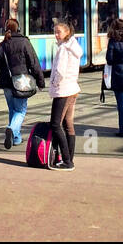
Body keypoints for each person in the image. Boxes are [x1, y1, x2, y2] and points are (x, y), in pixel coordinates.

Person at [0, 19, 45, 148]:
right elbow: (34, 63)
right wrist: (40, 81)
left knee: (13, 110)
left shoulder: (3, 44)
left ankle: (16, 138)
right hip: (21, 83)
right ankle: (12, 129)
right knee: (21, 111)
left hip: (6, 83)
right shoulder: (24, 42)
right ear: (19, 28)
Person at [47, 18, 82, 170]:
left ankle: (66, 160)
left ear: (67, 32)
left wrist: (54, 83)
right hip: (73, 88)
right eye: (55, 32)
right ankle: (69, 159)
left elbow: (60, 71)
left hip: (63, 90)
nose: (56, 35)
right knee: (68, 125)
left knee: (55, 124)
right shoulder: (73, 47)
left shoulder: (63, 49)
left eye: (59, 32)